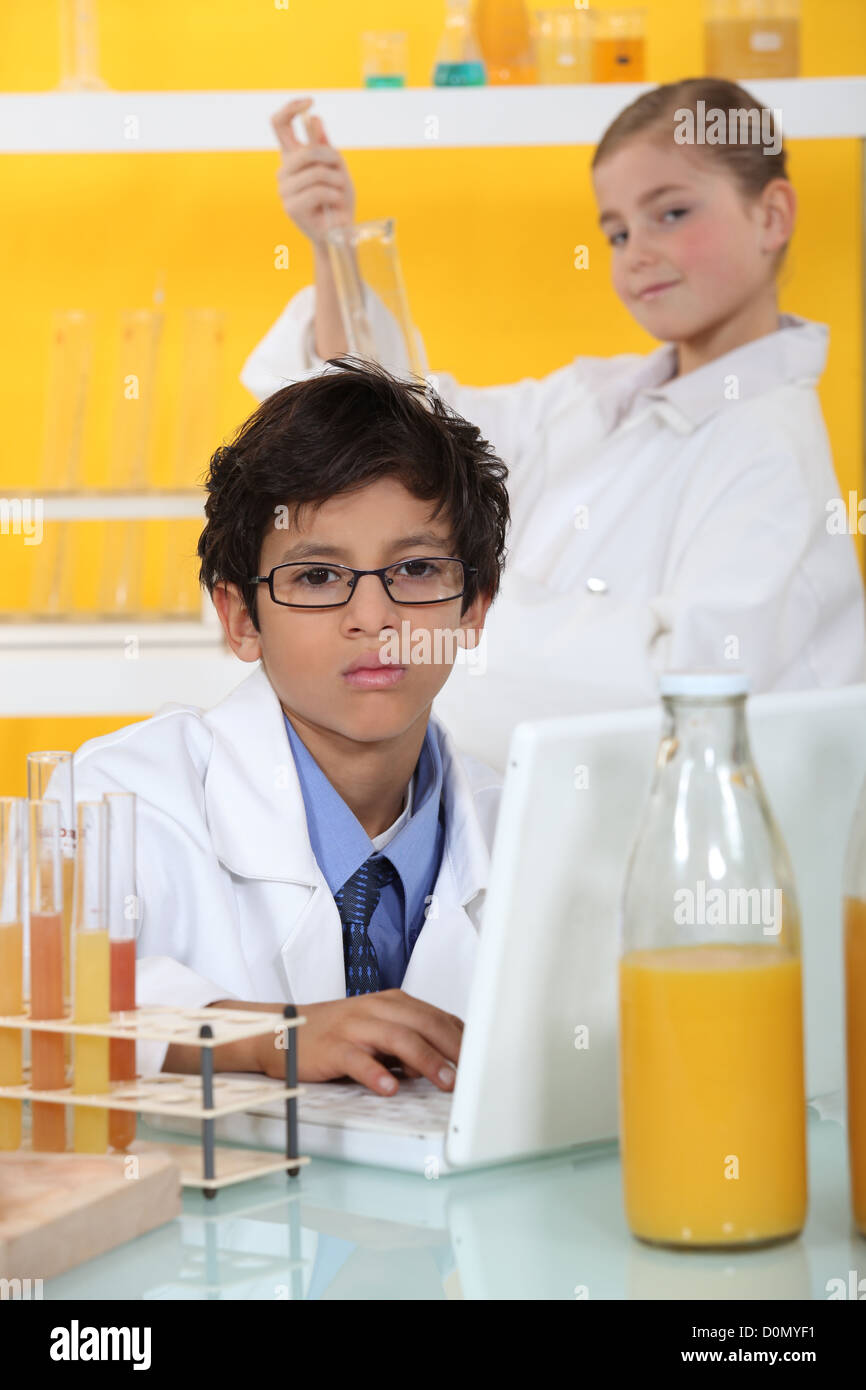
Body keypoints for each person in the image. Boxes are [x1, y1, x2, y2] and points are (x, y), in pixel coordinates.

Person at [240, 77, 866, 772]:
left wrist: (448, 610)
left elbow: (680, 692)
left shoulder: (771, 453)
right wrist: (335, 248)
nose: (637, 252)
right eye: (618, 232)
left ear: (772, 215)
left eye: (672, 213)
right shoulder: (593, 402)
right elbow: (394, 424)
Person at [72, 360, 510, 1093]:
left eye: (416, 570)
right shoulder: (118, 798)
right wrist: (268, 1035)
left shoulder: (533, 828)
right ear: (242, 619)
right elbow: (34, 994)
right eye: (317, 578)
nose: (374, 618)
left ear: (473, 609)